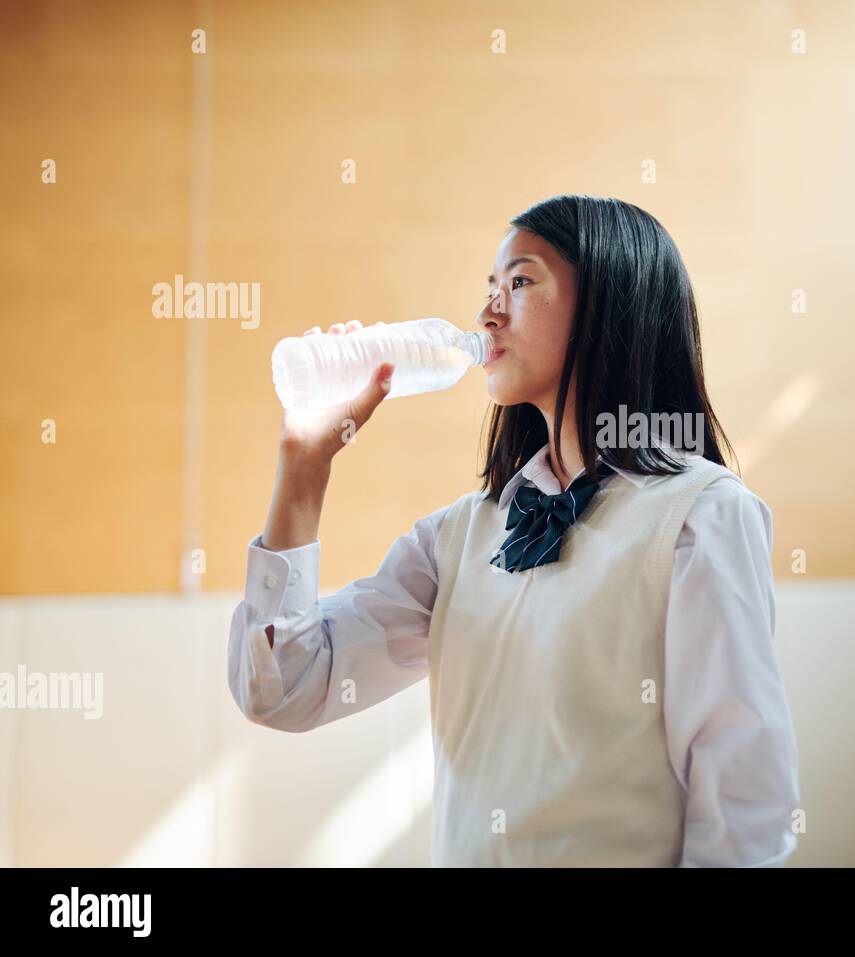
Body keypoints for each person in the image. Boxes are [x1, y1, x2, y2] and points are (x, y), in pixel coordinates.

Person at [228, 194, 800, 866]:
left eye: (520, 282)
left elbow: (744, 809)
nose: (488, 313)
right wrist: (303, 469)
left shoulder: (701, 513)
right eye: (490, 288)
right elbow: (286, 689)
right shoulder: (456, 538)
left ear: (610, 304)